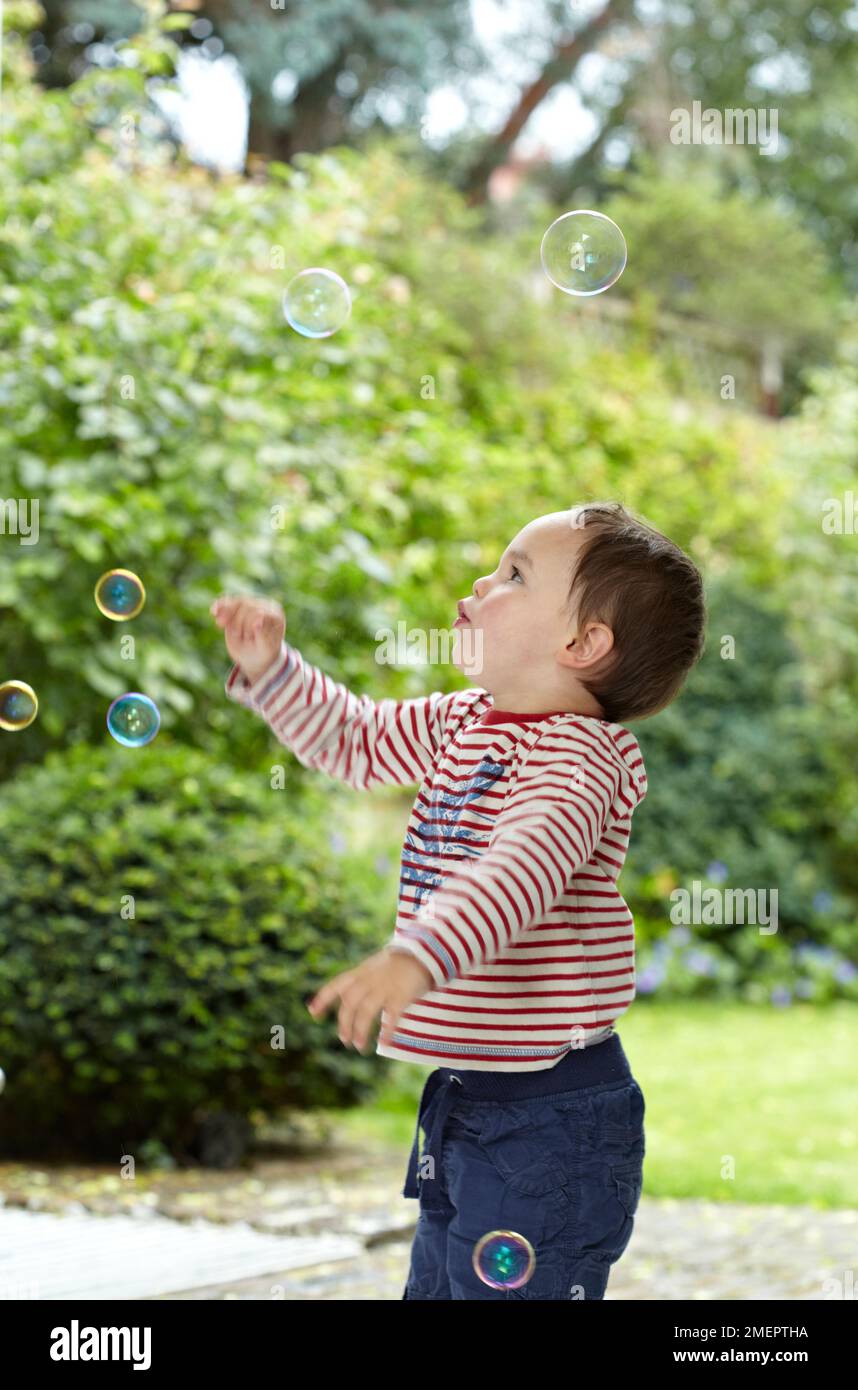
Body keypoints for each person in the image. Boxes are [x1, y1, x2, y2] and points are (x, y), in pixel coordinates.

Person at [211, 501, 706, 1299]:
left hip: (553, 1121)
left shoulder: (579, 761)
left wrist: (417, 955)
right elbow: (359, 740)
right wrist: (274, 673)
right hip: (470, 1101)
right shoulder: (465, 721)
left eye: (515, 574)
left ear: (582, 645)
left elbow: (519, 871)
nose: (483, 580)